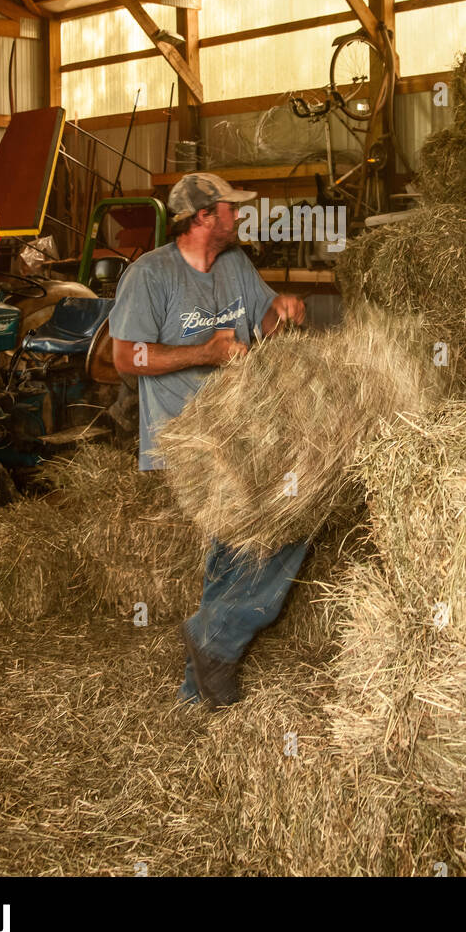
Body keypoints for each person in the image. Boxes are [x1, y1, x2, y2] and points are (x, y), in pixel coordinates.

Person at [109, 171, 306, 710]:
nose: (239, 216)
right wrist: (204, 353)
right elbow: (126, 358)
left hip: (242, 429)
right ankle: (214, 641)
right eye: (230, 209)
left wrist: (282, 310)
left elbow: (264, 327)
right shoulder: (150, 276)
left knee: (236, 543)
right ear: (202, 217)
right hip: (187, 440)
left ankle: (200, 683)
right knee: (284, 518)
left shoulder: (237, 267)